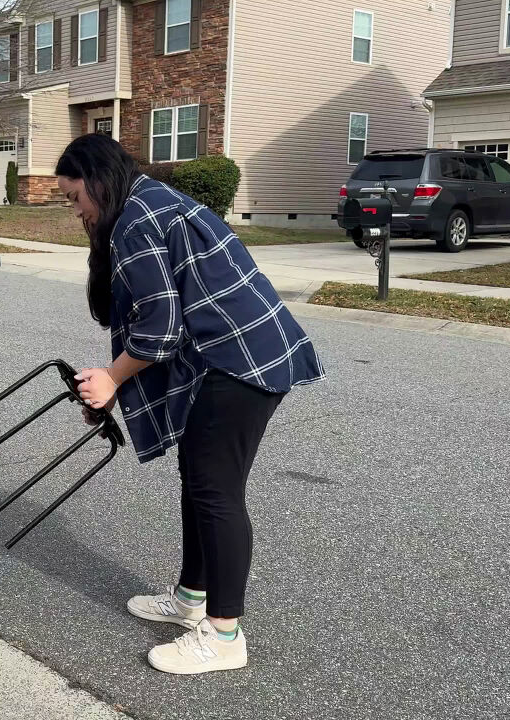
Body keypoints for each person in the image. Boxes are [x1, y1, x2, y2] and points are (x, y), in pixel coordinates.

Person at [56, 134, 325, 675]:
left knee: (215, 488)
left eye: (74, 197)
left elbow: (158, 332)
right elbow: (169, 326)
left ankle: (225, 636)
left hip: (243, 358)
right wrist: (111, 385)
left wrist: (110, 379)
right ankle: (190, 599)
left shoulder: (134, 220)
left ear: (97, 181)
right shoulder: (146, 200)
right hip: (236, 349)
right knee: (198, 477)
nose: (76, 210)